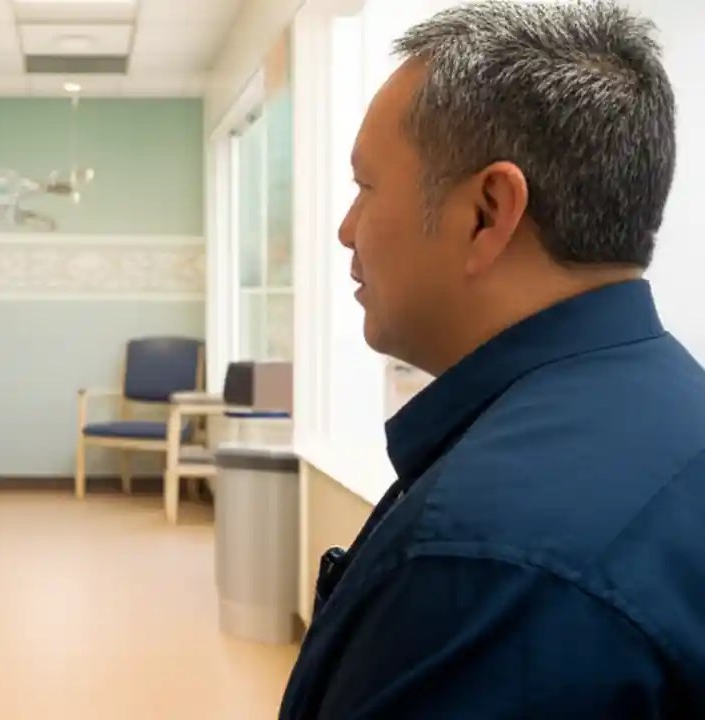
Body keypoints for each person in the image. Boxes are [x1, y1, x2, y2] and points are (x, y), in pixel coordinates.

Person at [281, 1, 705, 717]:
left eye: (365, 188)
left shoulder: (484, 566)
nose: (346, 231)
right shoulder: (674, 408)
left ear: (487, 211)